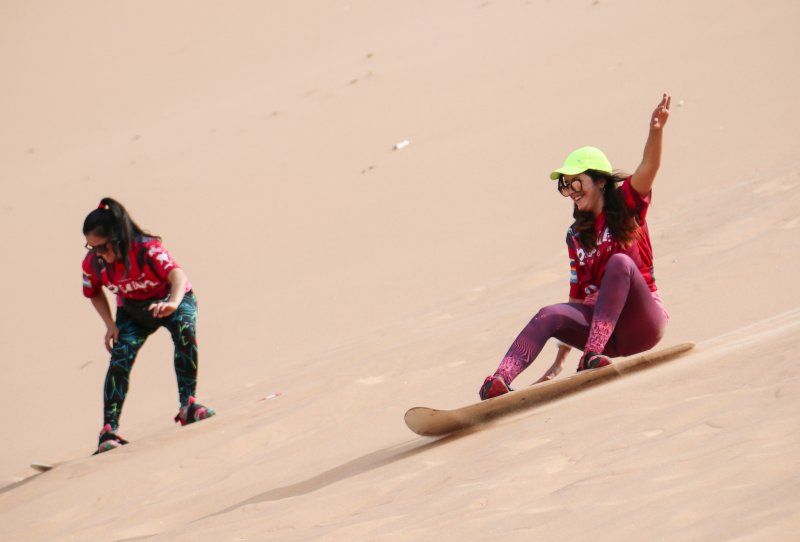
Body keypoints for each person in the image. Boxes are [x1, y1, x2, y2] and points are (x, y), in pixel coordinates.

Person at [479, 94, 672, 400]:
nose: (571, 191)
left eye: (576, 182)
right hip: (606, 335)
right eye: (565, 185)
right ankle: (500, 379)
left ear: (599, 181)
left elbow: (650, 165)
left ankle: (592, 355)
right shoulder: (576, 235)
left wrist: (656, 131)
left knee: (620, 264)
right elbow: (576, 299)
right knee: (549, 313)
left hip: (642, 323)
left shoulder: (627, 204)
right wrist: (558, 363)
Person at [82, 197, 215, 453]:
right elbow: (93, 292)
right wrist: (110, 324)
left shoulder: (146, 249)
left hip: (172, 297)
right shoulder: (93, 263)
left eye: (102, 248)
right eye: (92, 247)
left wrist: (173, 303)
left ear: (118, 237)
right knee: (121, 356)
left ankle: (188, 405)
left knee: (185, 332)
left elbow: (177, 274)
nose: (97, 254)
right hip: (133, 310)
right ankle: (108, 431)